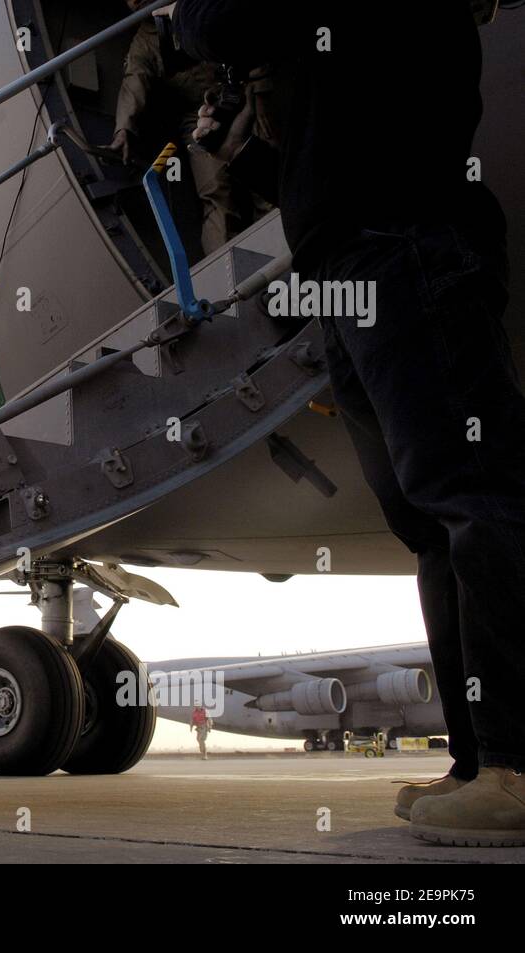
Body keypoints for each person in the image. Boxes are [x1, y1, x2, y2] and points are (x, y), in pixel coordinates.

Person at [173, 1, 524, 845]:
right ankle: (482, 762)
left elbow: (217, 21)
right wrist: (246, 146)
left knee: (471, 495)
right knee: (427, 520)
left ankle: (518, 764)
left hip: (402, 243)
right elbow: (331, 140)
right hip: (349, 258)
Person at [106, 0, 253, 255]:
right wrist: (123, 129)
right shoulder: (145, 42)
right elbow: (134, 81)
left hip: (244, 86)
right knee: (215, 191)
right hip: (198, 114)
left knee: (270, 169)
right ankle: (231, 277)